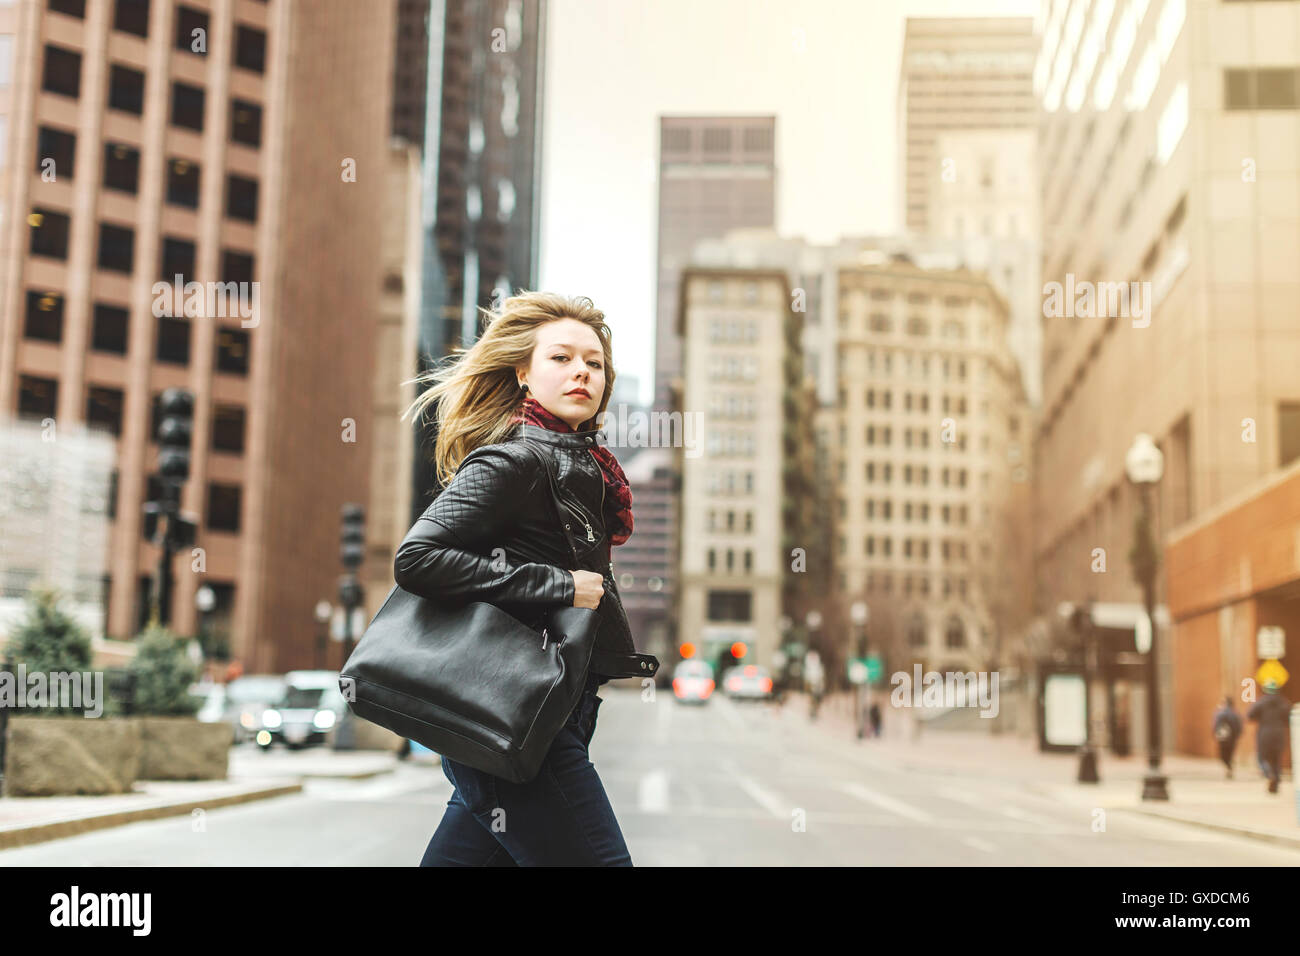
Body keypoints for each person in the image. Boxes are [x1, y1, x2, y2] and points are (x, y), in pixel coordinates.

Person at [393, 291, 657, 865]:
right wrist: (560, 584)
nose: (582, 371)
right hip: (514, 719)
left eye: (594, 362)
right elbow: (418, 558)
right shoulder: (516, 459)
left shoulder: (580, 467)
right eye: (561, 358)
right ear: (523, 373)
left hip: (537, 716)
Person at [1247, 680, 1291, 794]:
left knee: (1263, 758)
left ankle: (1269, 774)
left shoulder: (1261, 702)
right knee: (1277, 759)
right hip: (1279, 733)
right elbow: (1289, 717)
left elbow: (1250, 715)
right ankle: (1275, 783)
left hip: (1265, 733)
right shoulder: (1284, 702)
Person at [1210, 696, 1242, 778]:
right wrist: (1238, 734)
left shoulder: (1220, 712)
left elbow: (1216, 724)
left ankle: (1228, 766)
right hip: (1233, 737)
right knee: (1230, 753)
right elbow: (1239, 726)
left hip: (1223, 737)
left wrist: (1214, 733)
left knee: (1223, 754)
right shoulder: (1236, 713)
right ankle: (1229, 766)